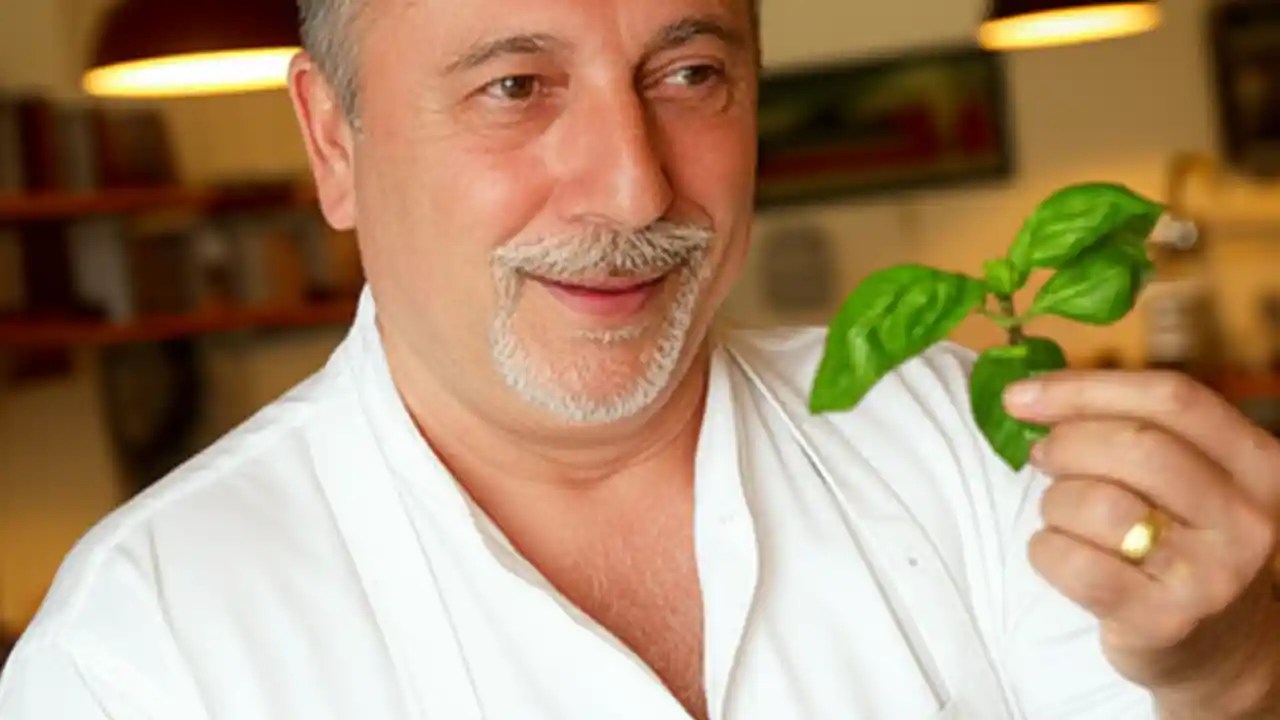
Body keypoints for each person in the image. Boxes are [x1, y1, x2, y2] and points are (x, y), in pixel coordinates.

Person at [3, 0, 1279, 717]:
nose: (633, 185)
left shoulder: (955, 433)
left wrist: (1226, 675)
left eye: (686, 72)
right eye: (514, 86)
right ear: (332, 142)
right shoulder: (142, 654)